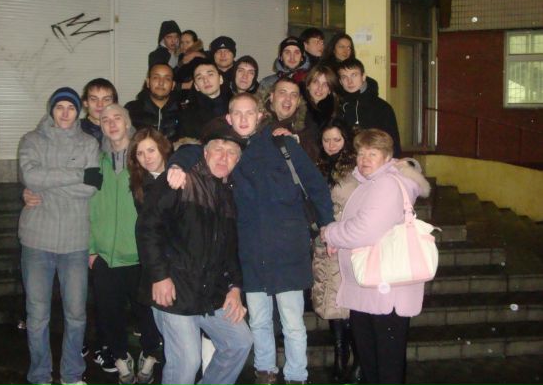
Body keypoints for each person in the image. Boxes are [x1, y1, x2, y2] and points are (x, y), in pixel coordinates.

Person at [167, 93, 334, 385]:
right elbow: (196, 151)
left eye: (249, 113)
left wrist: (327, 225)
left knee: (293, 322)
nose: (243, 119)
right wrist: (176, 164)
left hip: (288, 249)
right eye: (237, 113)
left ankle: (297, 376)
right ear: (229, 118)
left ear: (260, 115)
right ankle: (265, 370)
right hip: (250, 252)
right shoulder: (230, 150)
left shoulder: (283, 145)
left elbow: (315, 184)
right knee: (258, 319)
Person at [137, 118, 253, 385]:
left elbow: (230, 249)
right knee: (187, 361)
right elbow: (147, 227)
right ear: (205, 152)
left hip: (209, 291)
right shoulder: (180, 180)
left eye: (231, 153)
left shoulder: (228, 195)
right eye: (218, 149)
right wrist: (159, 276)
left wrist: (235, 287)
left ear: (237, 160)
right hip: (174, 289)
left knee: (239, 341)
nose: (224, 157)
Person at [322, 129, 431, 385]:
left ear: (387, 157)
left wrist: (331, 233)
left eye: (373, 154)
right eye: (361, 153)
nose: (364, 159)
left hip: (384, 290)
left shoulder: (386, 184)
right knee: (374, 361)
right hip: (372, 289)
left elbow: (366, 229)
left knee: (385, 364)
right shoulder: (372, 183)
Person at [18, 87, 101, 385]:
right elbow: (30, 177)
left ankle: (71, 374)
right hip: (36, 240)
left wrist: (47, 183)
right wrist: (77, 175)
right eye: (59, 107)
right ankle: (40, 375)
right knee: (37, 315)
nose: (65, 113)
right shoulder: (31, 140)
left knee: (76, 314)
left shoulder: (89, 143)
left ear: (78, 111)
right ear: (51, 109)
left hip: (75, 242)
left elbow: (92, 187)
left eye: (71, 107)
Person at [88, 103, 142, 385]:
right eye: (105, 120)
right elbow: (88, 205)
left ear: (127, 122)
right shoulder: (95, 162)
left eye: (116, 118)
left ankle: (149, 358)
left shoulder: (142, 157)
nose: (111, 123)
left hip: (138, 255)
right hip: (105, 256)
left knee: (146, 313)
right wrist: (91, 248)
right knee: (109, 315)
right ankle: (121, 360)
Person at [313, 119, 360, 385]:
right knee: (333, 302)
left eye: (336, 140)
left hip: (349, 241)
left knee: (351, 304)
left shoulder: (357, 167)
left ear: (346, 141)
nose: (331, 145)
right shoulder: (319, 166)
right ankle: (341, 354)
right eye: (326, 140)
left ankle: (359, 358)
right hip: (325, 241)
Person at [128, 127, 173, 385]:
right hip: (160, 265)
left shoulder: (181, 169)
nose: (147, 157)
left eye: (151, 150)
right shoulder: (141, 185)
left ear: (162, 148)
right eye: (140, 153)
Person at [337, 58, 402, 157]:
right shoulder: (338, 107)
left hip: (375, 162)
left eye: (354, 75)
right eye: (344, 77)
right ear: (340, 82)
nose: (350, 81)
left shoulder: (382, 108)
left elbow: (393, 146)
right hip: (344, 162)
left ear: (363, 77)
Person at [263, 77, 321, 162]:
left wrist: (293, 142)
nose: (288, 99)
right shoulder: (255, 118)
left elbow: (313, 155)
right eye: (282, 93)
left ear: (298, 102)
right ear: (271, 96)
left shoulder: (306, 125)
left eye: (293, 95)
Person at [178, 58, 231, 141]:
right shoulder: (189, 115)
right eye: (199, 78)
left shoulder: (236, 106)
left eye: (210, 74)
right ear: (196, 86)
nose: (206, 80)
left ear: (221, 79)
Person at [125, 63, 180, 141]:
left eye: (167, 79)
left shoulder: (183, 112)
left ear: (173, 85)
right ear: (148, 82)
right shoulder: (131, 109)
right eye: (156, 77)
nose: (161, 83)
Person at [80, 78, 118, 143]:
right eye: (94, 99)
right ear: (85, 103)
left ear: (114, 104)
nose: (100, 105)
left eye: (106, 100)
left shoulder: (123, 130)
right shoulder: (75, 129)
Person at [303, 65, 340, 129]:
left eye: (325, 84)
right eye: (316, 82)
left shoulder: (336, 114)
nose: (320, 88)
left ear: (330, 90)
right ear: (308, 85)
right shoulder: (296, 107)